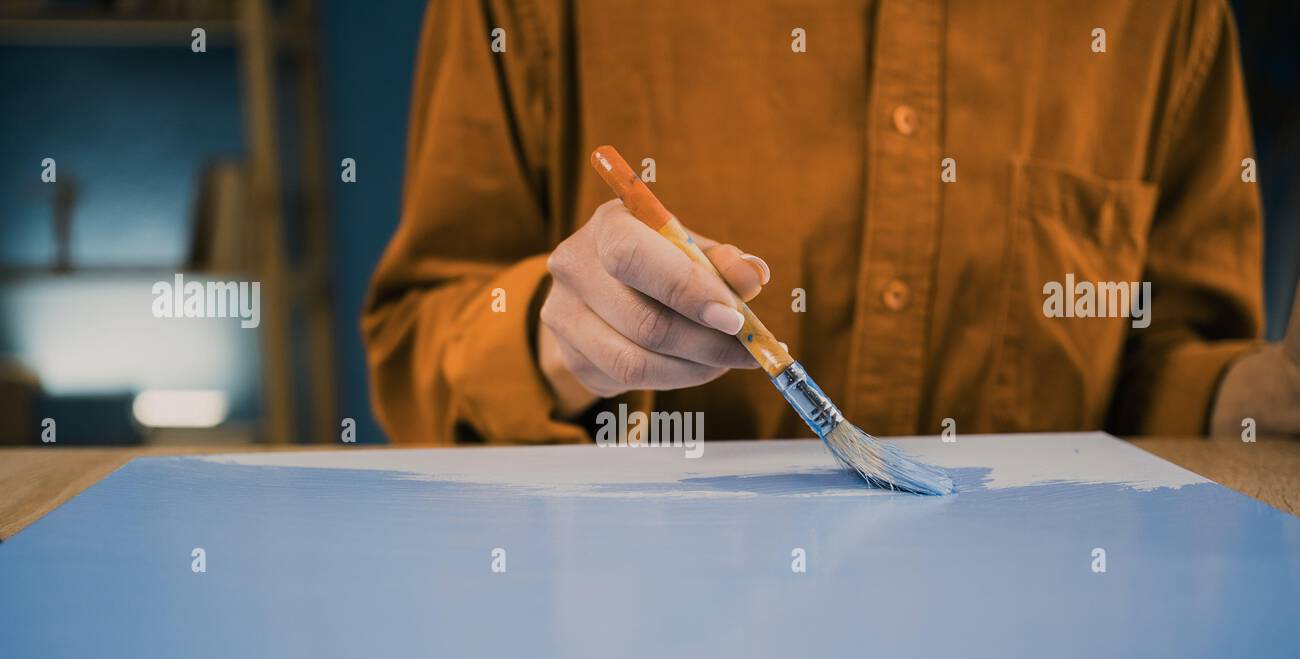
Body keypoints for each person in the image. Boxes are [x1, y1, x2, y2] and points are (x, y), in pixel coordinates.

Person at [363, 0, 1299, 446]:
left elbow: (1157, 369)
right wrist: (555, 341)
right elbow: (418, 346)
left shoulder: (1166, 17)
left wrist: (1264, 399)